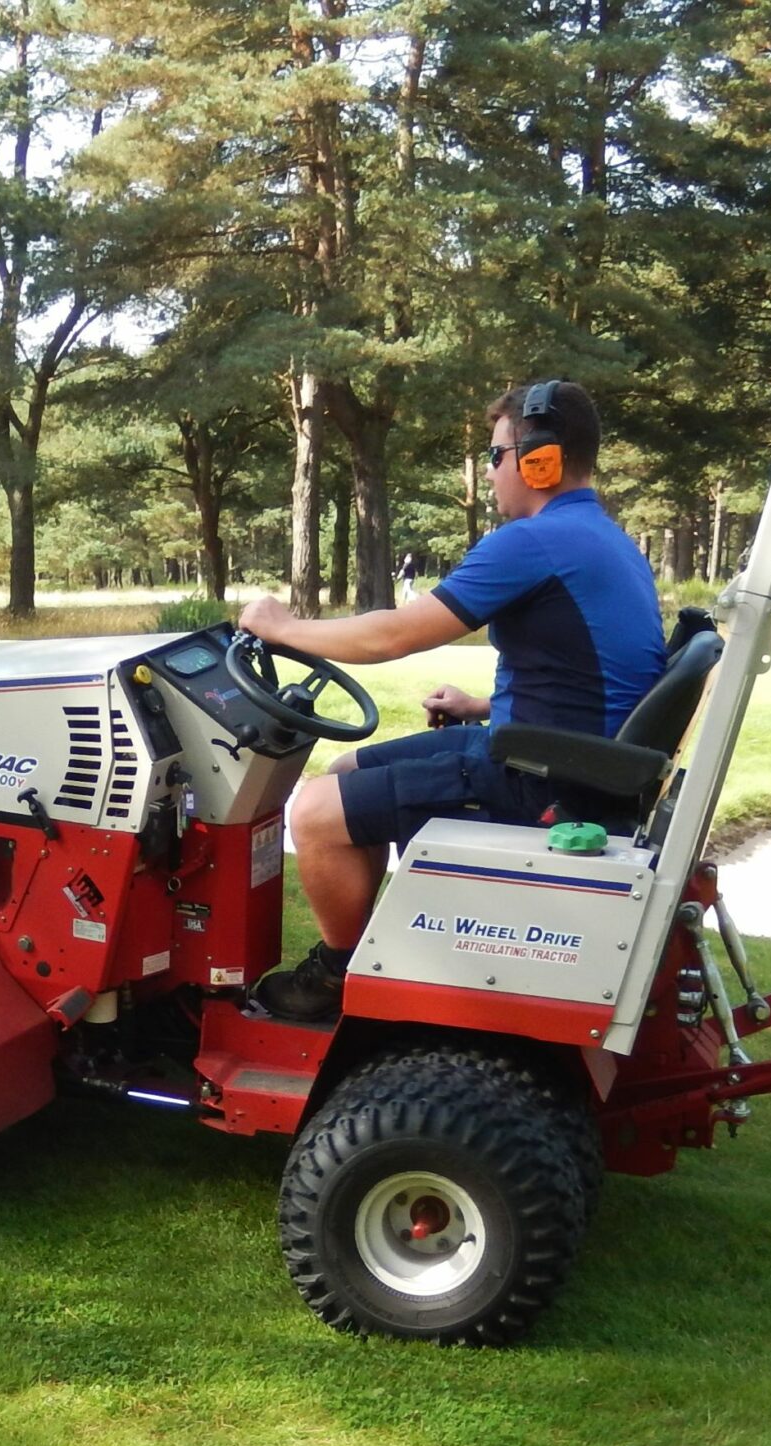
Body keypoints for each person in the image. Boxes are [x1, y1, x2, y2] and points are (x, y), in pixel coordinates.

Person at [238, 379, 668, 1021]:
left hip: (547, 784)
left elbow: (394, 635)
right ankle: (374, 942)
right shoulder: (602, 538)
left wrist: (281, 628)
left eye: (496, 456)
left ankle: (335, 979)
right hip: (560, 755)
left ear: (539, 460)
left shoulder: (535, 541)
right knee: (345, 770)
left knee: (315, 812)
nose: (490, 473)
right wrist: (484, 707)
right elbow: (596, 677)